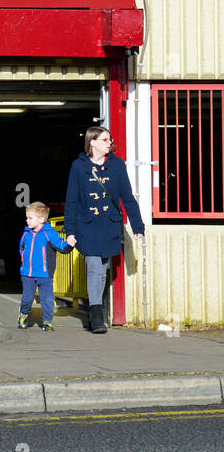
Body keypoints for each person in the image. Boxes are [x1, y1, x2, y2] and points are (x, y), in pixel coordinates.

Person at [63, 125, 144, 334]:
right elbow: (72, 201)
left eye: (110, 139)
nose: (110, 143)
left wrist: (138, 226)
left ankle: (95, 306)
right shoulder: (78, 166)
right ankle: (96, 315)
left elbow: (127, 196)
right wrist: (69, 231)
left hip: (109, 224)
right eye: (106, 140)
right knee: (94, 267)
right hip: (87, 225)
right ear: (93, 142)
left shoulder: (117, 166)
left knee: (103, 270)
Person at [18, 201, 71, 331]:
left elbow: (61, 246)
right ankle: (23, 314)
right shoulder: (26, 233)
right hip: (28, 274)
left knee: (47, 299)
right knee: (27, 299)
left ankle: (47, 321)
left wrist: (70, 244)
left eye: (30, 218)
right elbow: (21, 249)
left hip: (45, 274)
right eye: (27, 217)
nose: (27, 220)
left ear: (41, 219)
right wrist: (24, 265)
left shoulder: (49, 233)